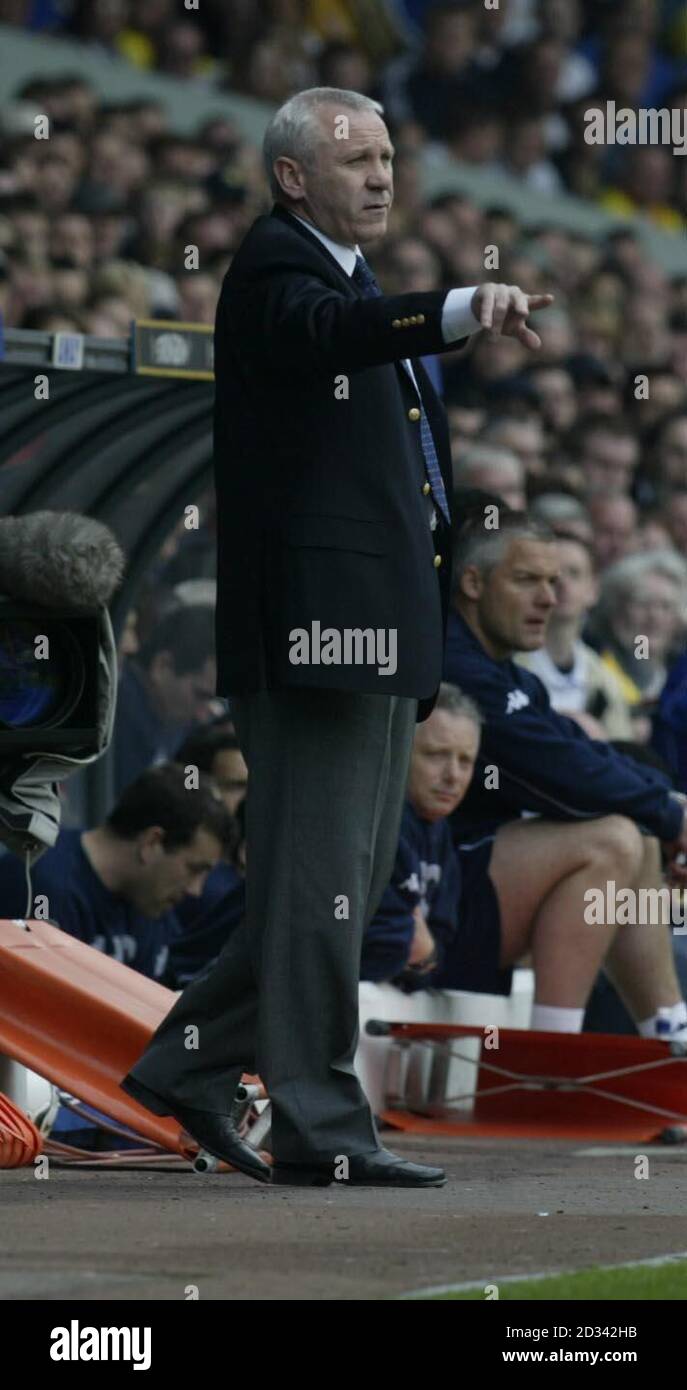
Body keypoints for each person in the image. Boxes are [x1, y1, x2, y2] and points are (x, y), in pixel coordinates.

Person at [120, 85, 553, 1189]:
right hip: (324, 632)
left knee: (331, 889)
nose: (381, 175)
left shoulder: (343, 275)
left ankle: (186, 1065)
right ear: (292, 177)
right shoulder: (281, 267)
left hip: (376, 630)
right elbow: (337, 337)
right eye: (355, 158)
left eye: (390, 157)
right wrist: (457, 307)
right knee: (323, 888)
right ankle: (323, 1125)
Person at [442, 511, 687, 1041]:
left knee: (637, 835)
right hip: (420, 899)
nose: (550, 599)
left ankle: (671, 1037)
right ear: (473, 583)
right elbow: (558, 769)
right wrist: (670, 812)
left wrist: (669, 808)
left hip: (470, 877)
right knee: (614, 840)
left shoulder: (501, 667)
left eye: (555, 583)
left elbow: (576, 749)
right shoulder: (454, 661)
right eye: (527, 580)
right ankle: (551, 1055)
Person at [0, 763, 233, 982]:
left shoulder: (148, 902)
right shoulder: (39, 885)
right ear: (152, 843)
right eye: (194, 869)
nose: (196, 890)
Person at [517, 532, 633, 739]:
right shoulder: (508, 664)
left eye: (575, 573)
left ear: (593, 590)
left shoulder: (606, 680)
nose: (563, 584)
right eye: (553, 576)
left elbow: (623, 749)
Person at [111, 604, 218, 800]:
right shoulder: (117, 718)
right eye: (200, 695)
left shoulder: (174, 722)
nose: (204, 714)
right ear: (163, 666)